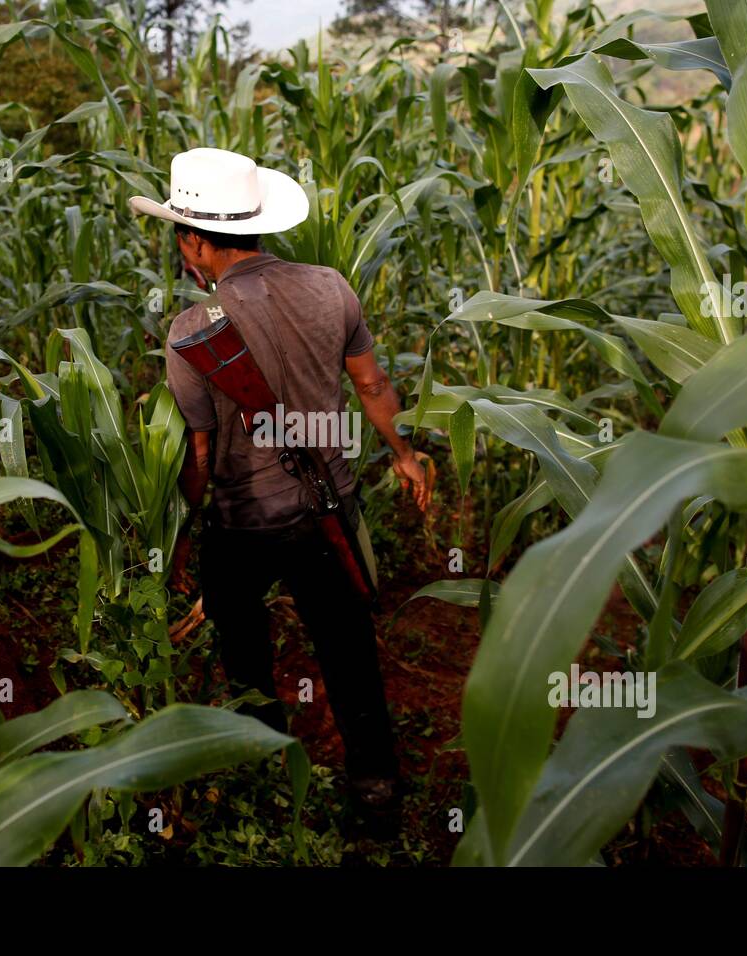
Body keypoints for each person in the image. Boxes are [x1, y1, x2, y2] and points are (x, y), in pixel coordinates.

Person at [129, 148, 430, 819]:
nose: (181, 248)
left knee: (245, 657)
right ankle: (375, 789)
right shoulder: (331, 287)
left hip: (243, 522)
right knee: (349, 650)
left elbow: (200, 454)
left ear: (196, 241)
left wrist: (186, 527)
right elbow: (372, 385)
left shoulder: (192, 332)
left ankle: (262, 785)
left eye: (181, 235)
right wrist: (404, 454)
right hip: (327, 508)